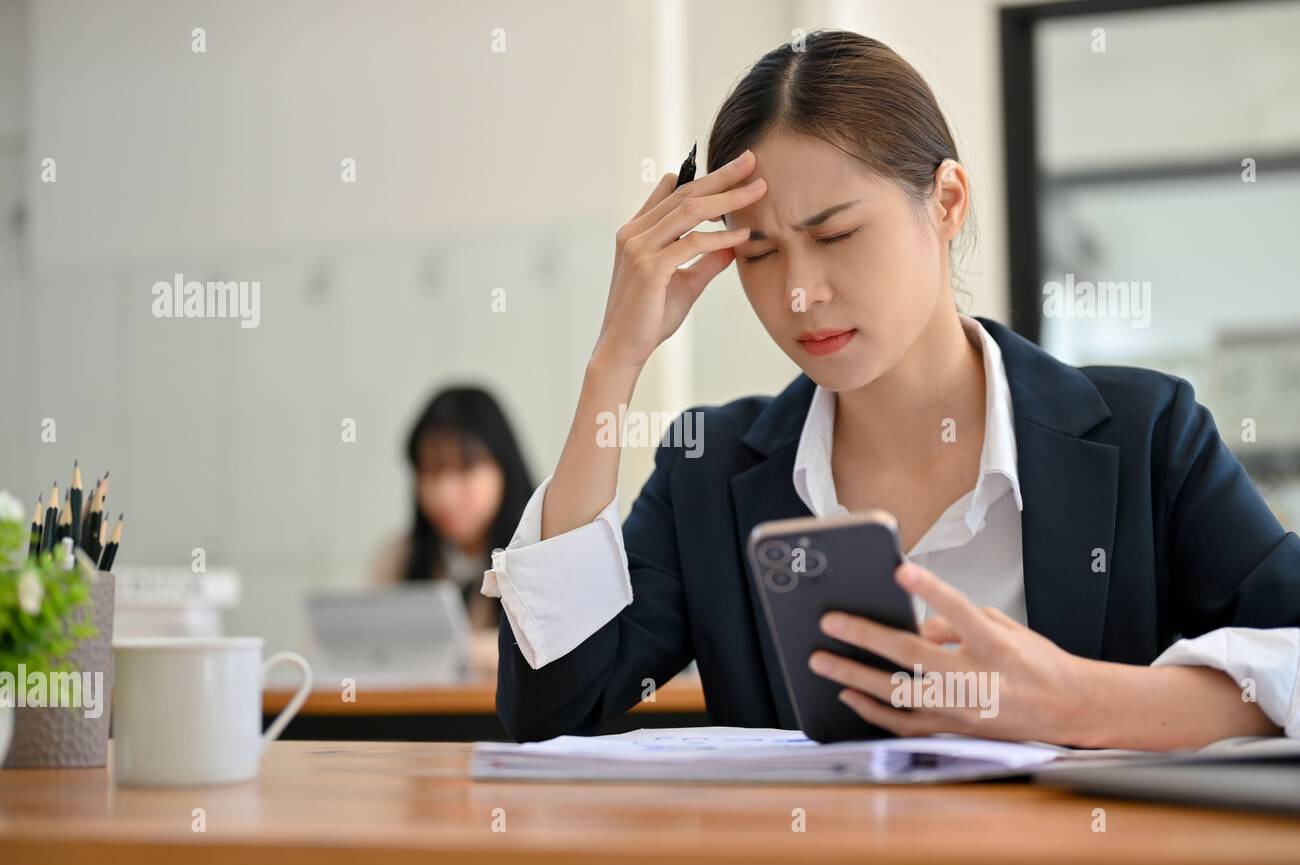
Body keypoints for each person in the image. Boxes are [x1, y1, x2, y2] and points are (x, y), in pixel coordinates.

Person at [482, 30, 1299, 746]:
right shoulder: (710, 470)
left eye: (836, 235)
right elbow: (555, 707)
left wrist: (1078, 702)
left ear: (946, 202)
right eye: (759, 253)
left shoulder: (1146, 433)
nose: (799, 293)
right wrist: (614, 362)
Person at [374, 386, 533, 675]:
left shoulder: (542, 554)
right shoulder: (398, 559)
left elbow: (556, 655)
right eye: (431, 470)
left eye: (465, 468)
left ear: (504, 468)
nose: (445, 493)